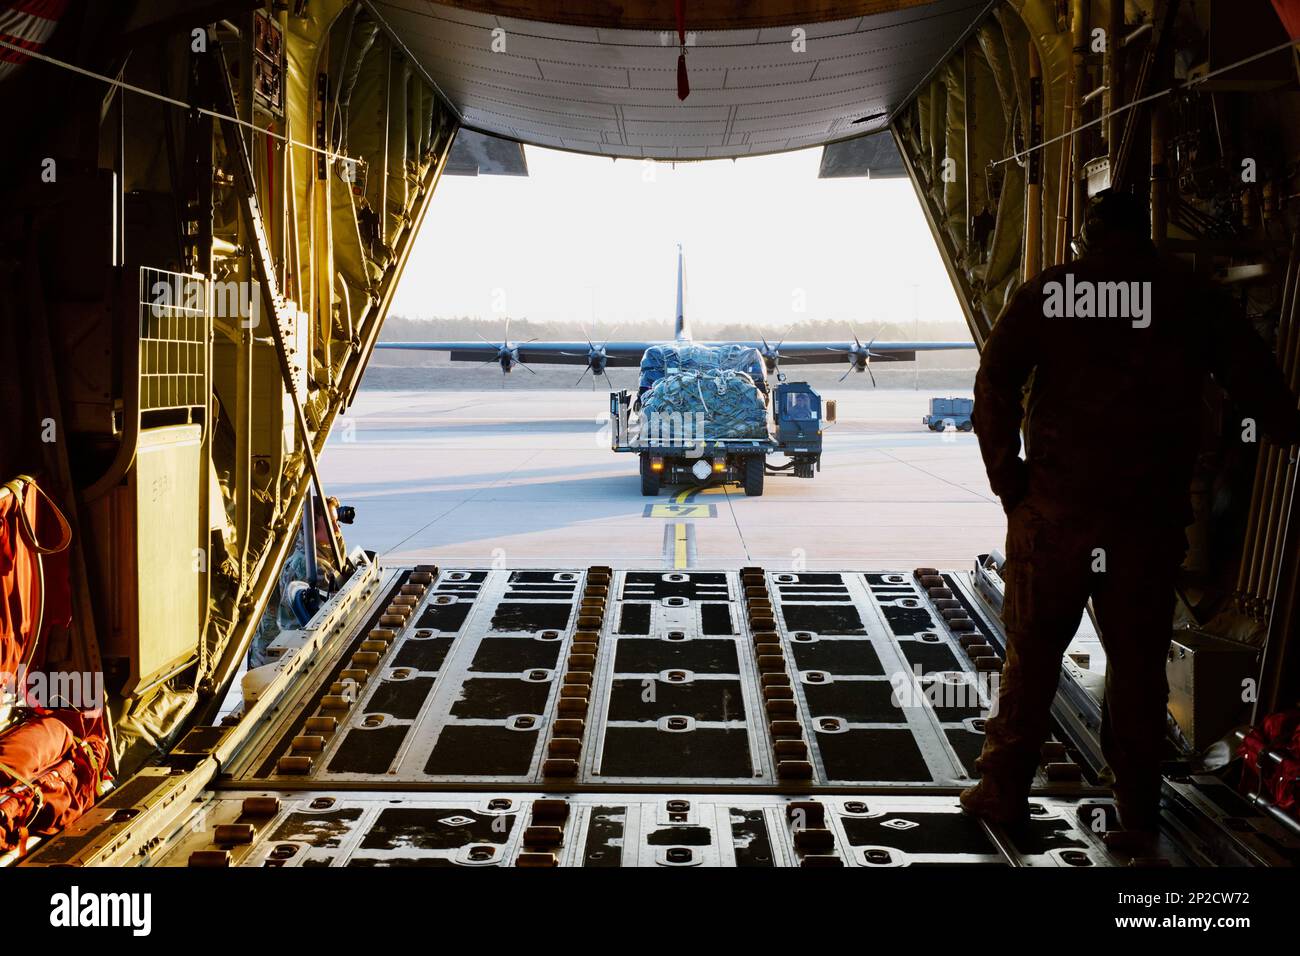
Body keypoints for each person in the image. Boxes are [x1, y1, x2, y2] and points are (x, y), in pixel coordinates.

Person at [962, 189, 1300, 844]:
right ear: (1144, 234)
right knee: (1139, 669)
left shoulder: (1052, 292)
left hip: (1055, 518)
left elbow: (994, 384)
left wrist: (1013, 485)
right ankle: (1137, 816)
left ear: (1088, 235)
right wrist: (1285, 427)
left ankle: (1004, 789)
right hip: (1143, 524)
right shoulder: (1189, 297)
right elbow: (1256, 382)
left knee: (1032, 660)